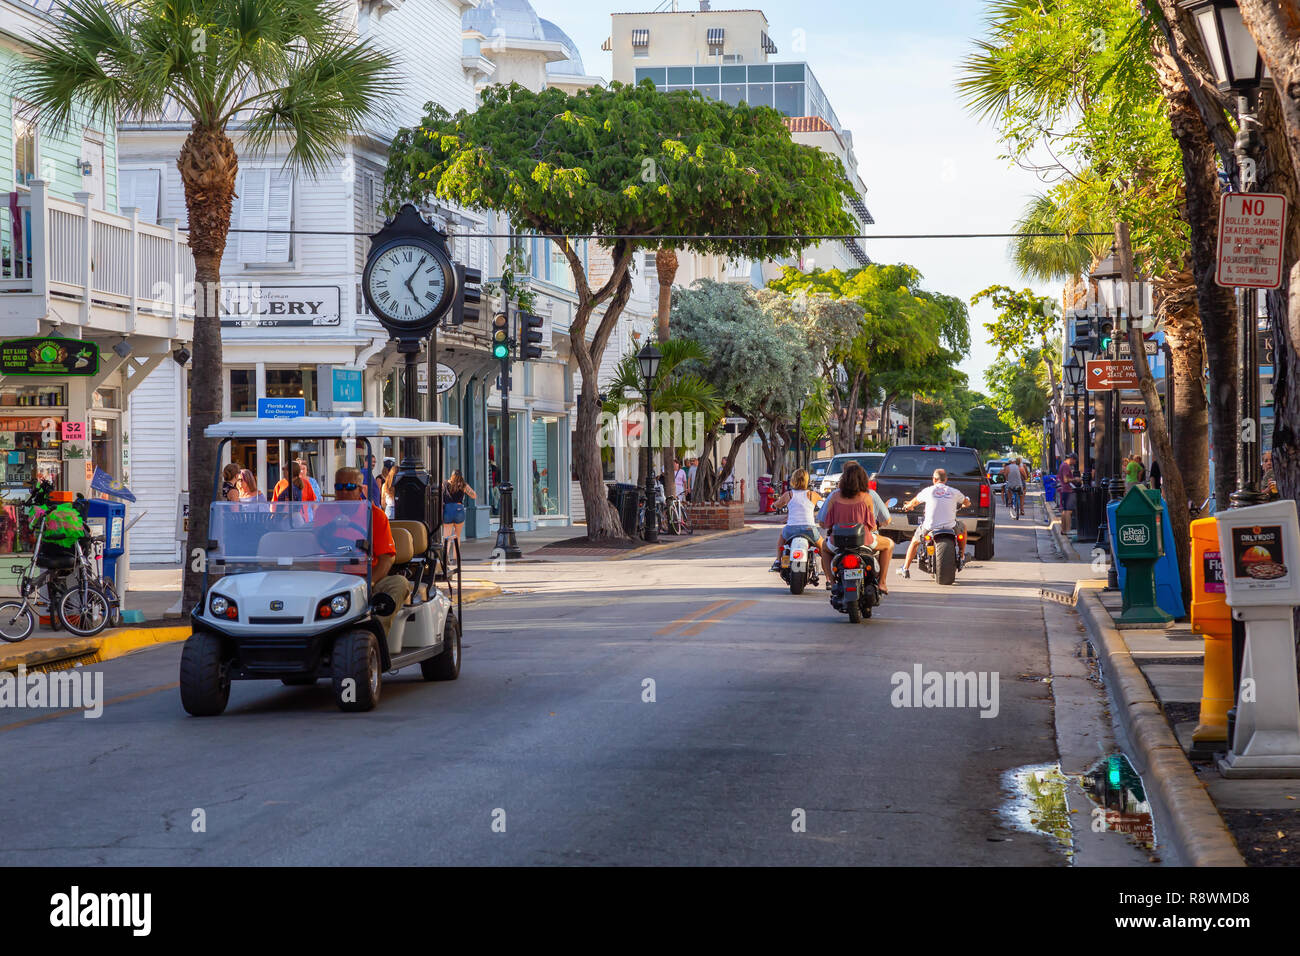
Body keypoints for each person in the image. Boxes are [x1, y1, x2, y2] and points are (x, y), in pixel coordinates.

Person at [319, 467, 409, 635]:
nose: (344, 492)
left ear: (360, 489)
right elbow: (315, 542)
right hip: (328, 579)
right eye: (339, 487)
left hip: (364, 579)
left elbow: (386, 559)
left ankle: (375, 637)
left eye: (350, 487)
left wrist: (368, 583)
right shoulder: (324, 512)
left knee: (399, 583)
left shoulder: (375, 515)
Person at [819, 460, 891, 593]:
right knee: (889, 545)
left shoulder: (834, 497)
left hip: (838, 542)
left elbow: (826, 524)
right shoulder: (867, 497)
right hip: (863, 541)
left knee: (824, 548)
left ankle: (832, 581)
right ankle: (882, 582)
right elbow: (872, 526)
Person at [898, 468, 970, 579]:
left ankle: (905, 568)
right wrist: (965, 504)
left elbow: (914, 502)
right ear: (946, 479)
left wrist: (908, 506)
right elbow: (966, 502)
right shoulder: (953, 491)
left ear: (934, 479)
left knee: (915, 542)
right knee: (963, 527)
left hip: (929, 527)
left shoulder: (928, 491)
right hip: (950, 527)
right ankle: (961, 555)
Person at [769, 467, 823, 572]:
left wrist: (773, 505)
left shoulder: (788, 494)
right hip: (809, 529)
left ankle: (777, 561)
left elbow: (777, 505)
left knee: (781, 537)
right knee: (823, 549)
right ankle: (828, 577)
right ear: (807, 481)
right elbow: (823, 506)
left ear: (793, 480)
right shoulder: (813, 495)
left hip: (791, 529)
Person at [442, 469, 477, 542]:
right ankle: (456, 554)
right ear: (461, 477)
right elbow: (474, 496)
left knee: (446, 537)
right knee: (457, 536)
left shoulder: (445, 483)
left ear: (452, 476)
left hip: (448, 510)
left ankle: (446, 553)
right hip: (459, 510)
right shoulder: (463, 485)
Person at [1057, 454, 1078, 535]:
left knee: (1064, 510)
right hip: (1067, 490)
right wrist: (1075, 479)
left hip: (1063, 490)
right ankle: (1068, 530)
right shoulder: (1066, 466)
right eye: (1075, 461)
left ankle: (1064, 529)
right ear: (1072, 459)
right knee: (1068, 511)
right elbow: (1066, 480)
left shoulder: (1062, 465)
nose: (1075, 463)